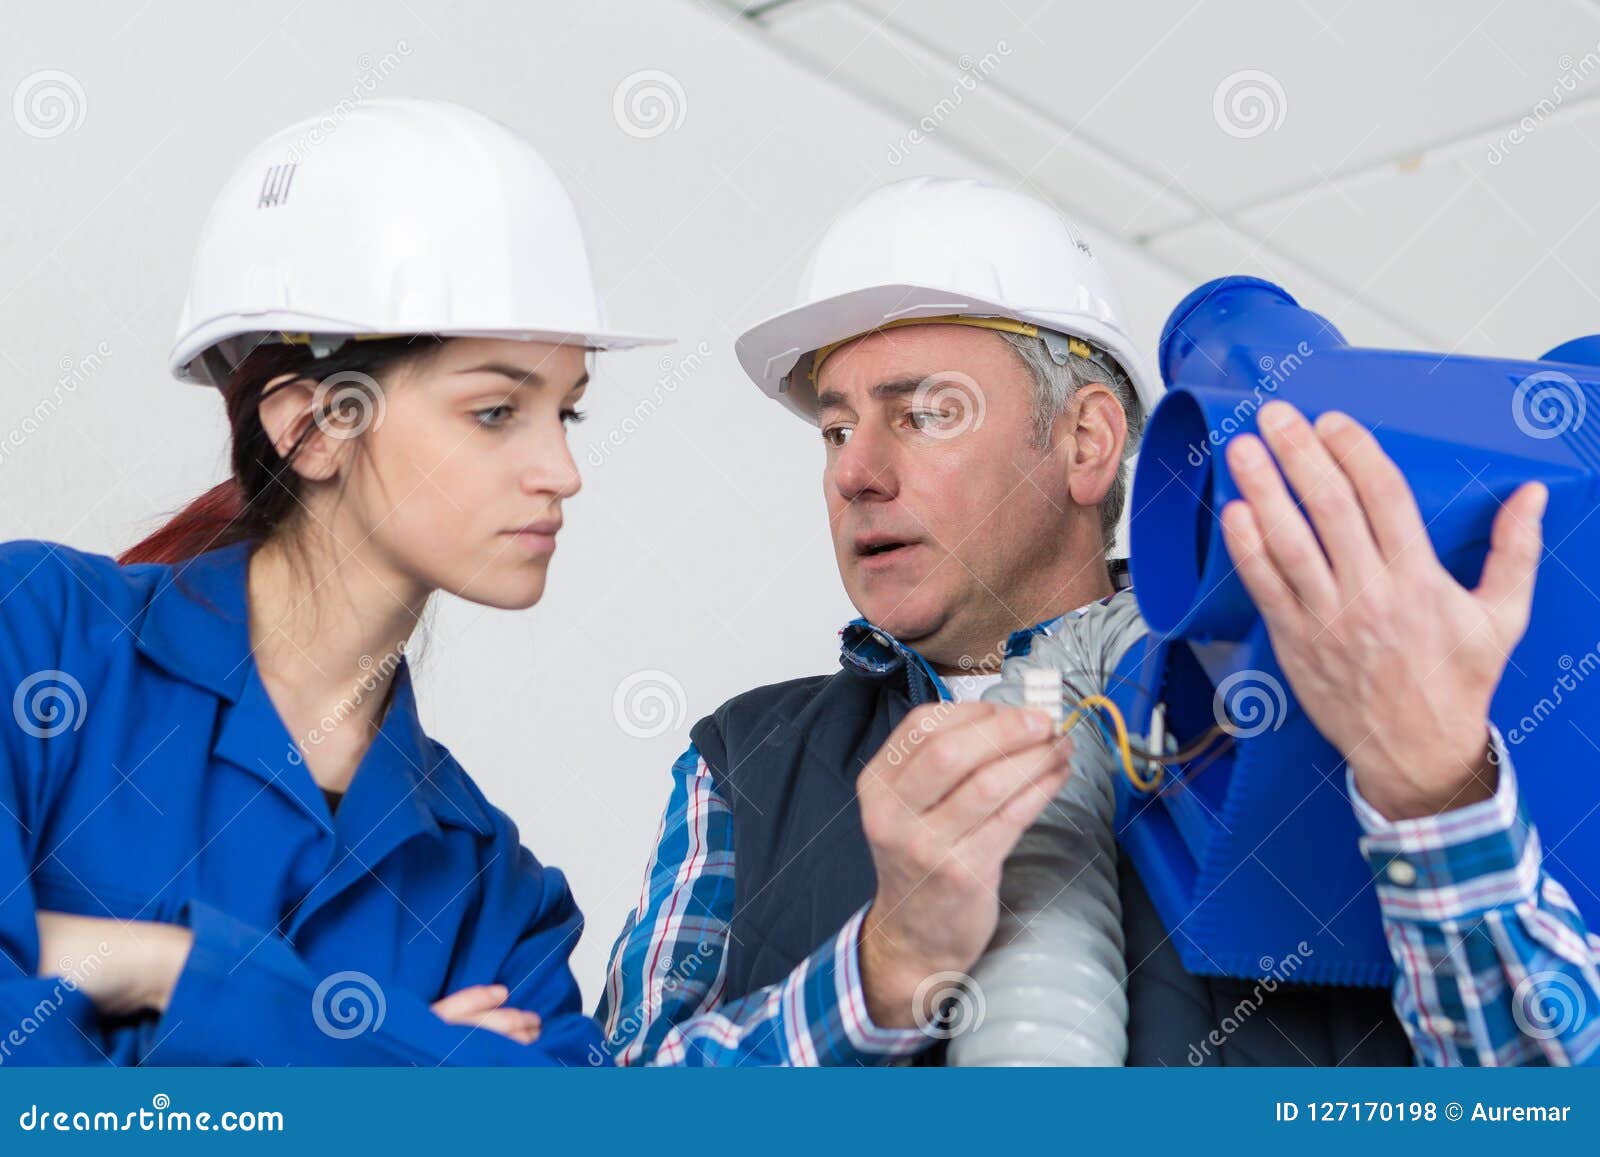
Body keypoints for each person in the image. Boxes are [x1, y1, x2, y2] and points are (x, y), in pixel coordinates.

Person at [596, 176, 1596, 1066]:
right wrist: (882, 967)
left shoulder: (1350, 681)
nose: (857, 471)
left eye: (925, 413)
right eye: (837, 429)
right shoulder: (747, 759)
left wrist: (1431, 790)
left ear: (1085, 443)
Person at [0, 98, 669, 1066]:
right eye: (494, 410)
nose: (560, 471)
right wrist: (409, 1056)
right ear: (311, 426)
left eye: (568, 413)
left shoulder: (491, 887)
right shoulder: (35, 635)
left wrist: (167, 968)